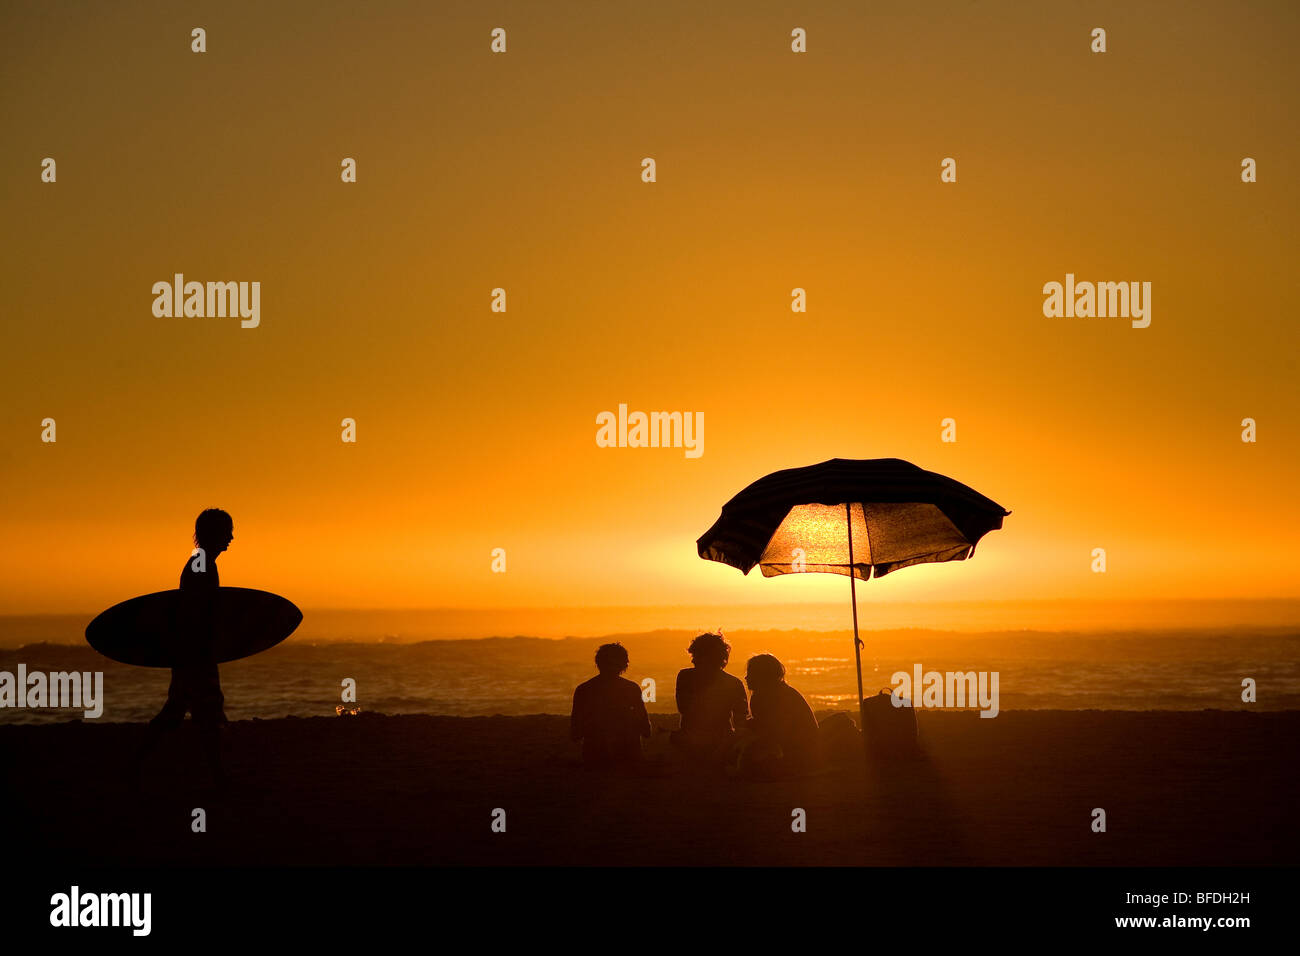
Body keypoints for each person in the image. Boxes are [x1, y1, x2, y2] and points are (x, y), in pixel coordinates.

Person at [138, 508, 232, 784]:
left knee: (178, 711)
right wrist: (202, 651)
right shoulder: (201, 564)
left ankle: (136, 765)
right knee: (206, 712)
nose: (232, 537)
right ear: (213, 532)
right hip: (195, 653)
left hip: (192, 652)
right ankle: (217, 777)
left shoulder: (201, 562)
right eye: (227, 530)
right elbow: (194, 613)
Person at [570, 643, 652, 767]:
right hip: (628, 756)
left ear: (598, 663)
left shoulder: (584, 689)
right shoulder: (631, 689)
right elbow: (646, 731)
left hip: (594, 757)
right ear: (624, 665)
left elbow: (575, 733)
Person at [671, 631, 748, 764]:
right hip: (721, 740)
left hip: (692, 739)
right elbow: (741, 720)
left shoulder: (685, 677)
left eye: (696, 656)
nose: (693, 660)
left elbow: (683, 708)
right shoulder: (734, 683)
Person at [738, 653, 820, 778]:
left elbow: (775, 734)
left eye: (751, 674)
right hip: (797, 751)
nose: (746, 678)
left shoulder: (776, 696)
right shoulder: (770, 693)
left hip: (800, 755)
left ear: (762, 676)